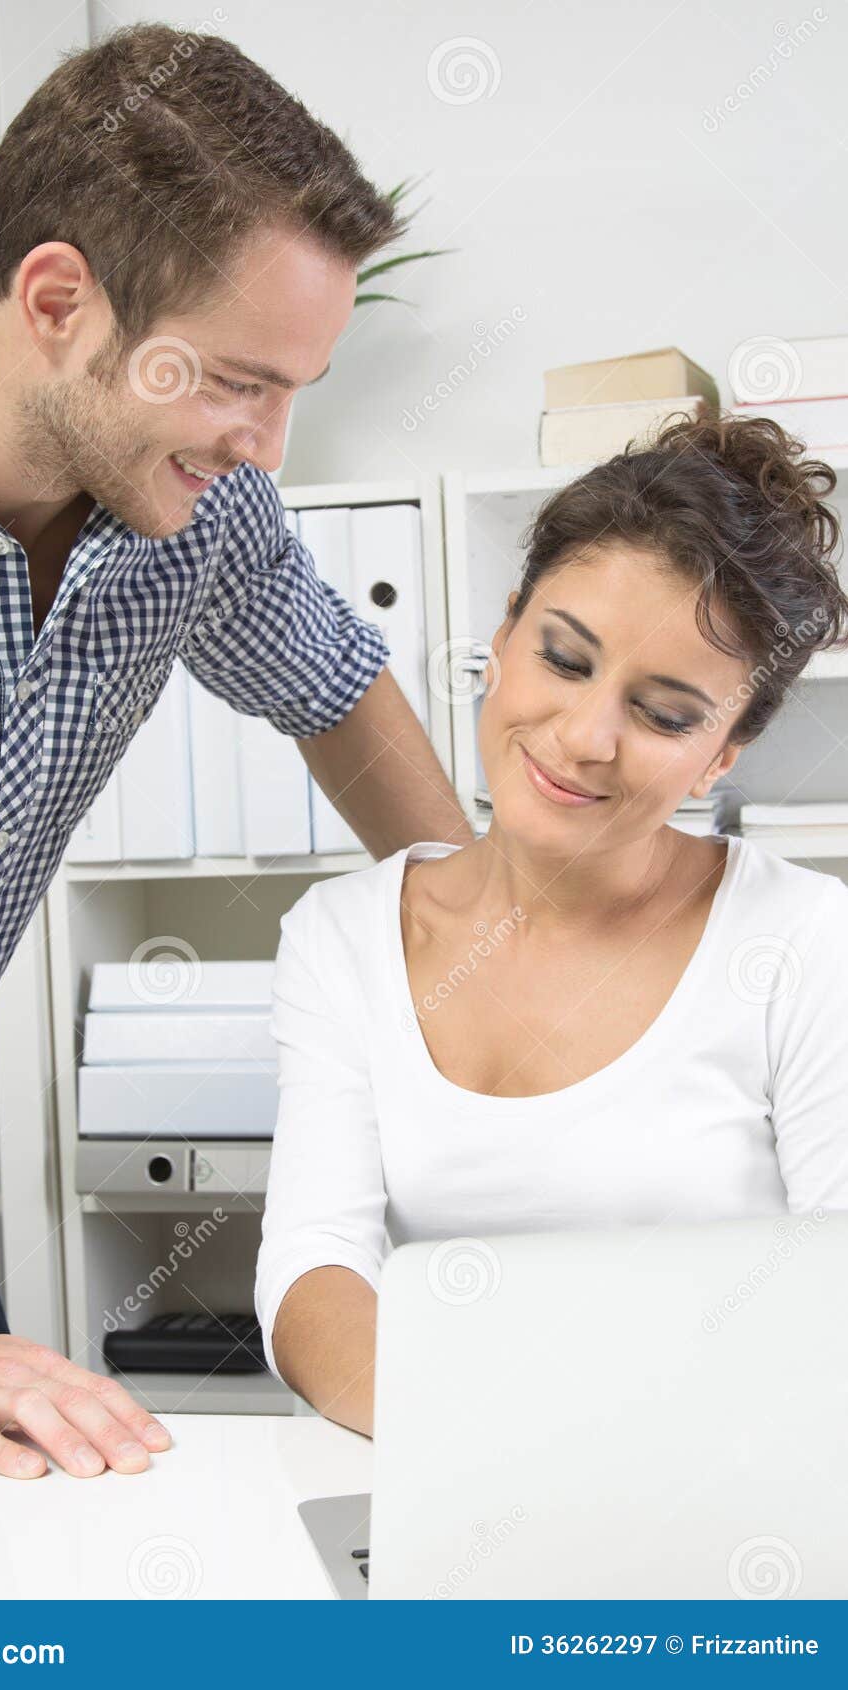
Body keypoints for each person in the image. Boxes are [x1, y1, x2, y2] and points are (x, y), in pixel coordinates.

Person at [0, 24, 469, 1472]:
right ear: (55, 300)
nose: (268, 445)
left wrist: (503, 965)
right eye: (236, 381)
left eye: (295, 387)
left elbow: (336, 691)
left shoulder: (188, 491)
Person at [255, 410, 848, 1437]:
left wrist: (603, 1461)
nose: (583, 738)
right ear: (501, 639)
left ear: (719, 755)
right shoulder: (339, 936)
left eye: (664, 714)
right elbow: (315, 1269)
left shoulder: (804, 940)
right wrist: (496, 1455)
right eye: (565, 659)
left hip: (718, 1481)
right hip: (441, 1472)